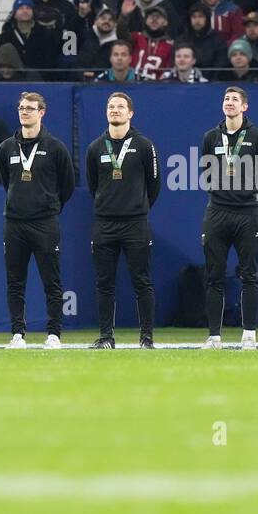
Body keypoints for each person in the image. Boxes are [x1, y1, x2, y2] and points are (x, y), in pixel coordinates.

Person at [0, 91, 75, 350]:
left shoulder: (55, 147)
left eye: (30, 108)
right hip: (15, 223)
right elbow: (6, 182)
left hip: (44, 223)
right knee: (15, 280)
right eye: (21, 107)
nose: (24, 112)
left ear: (42, 112)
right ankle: (17, 334)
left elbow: (67, 185)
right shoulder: (7, 147)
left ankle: (53, 334)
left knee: (51, 281)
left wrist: (49, 206)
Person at [85, 91, 160, 348]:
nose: (114, 110)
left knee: (142, 281)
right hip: (104, 224)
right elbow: (93, 185)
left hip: (135, 223)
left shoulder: (144, 146)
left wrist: (137, 207)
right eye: (110, 106)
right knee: (104, 283)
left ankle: (146, 337)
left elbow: (154, 186)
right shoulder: (95, 148)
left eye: (120, 106)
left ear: (130, 113)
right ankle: (106, 336)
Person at [200, 87, 258, 349]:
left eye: (234, 100)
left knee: (249, 275)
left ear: (245, 107)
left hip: (247, 213)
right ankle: (214, 336)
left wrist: (235, 182)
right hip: (217, 212)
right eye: (226, 99)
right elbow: (207, 176)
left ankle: (249, 334)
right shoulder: (211, 137)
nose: (229, 103)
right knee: (213, 275)